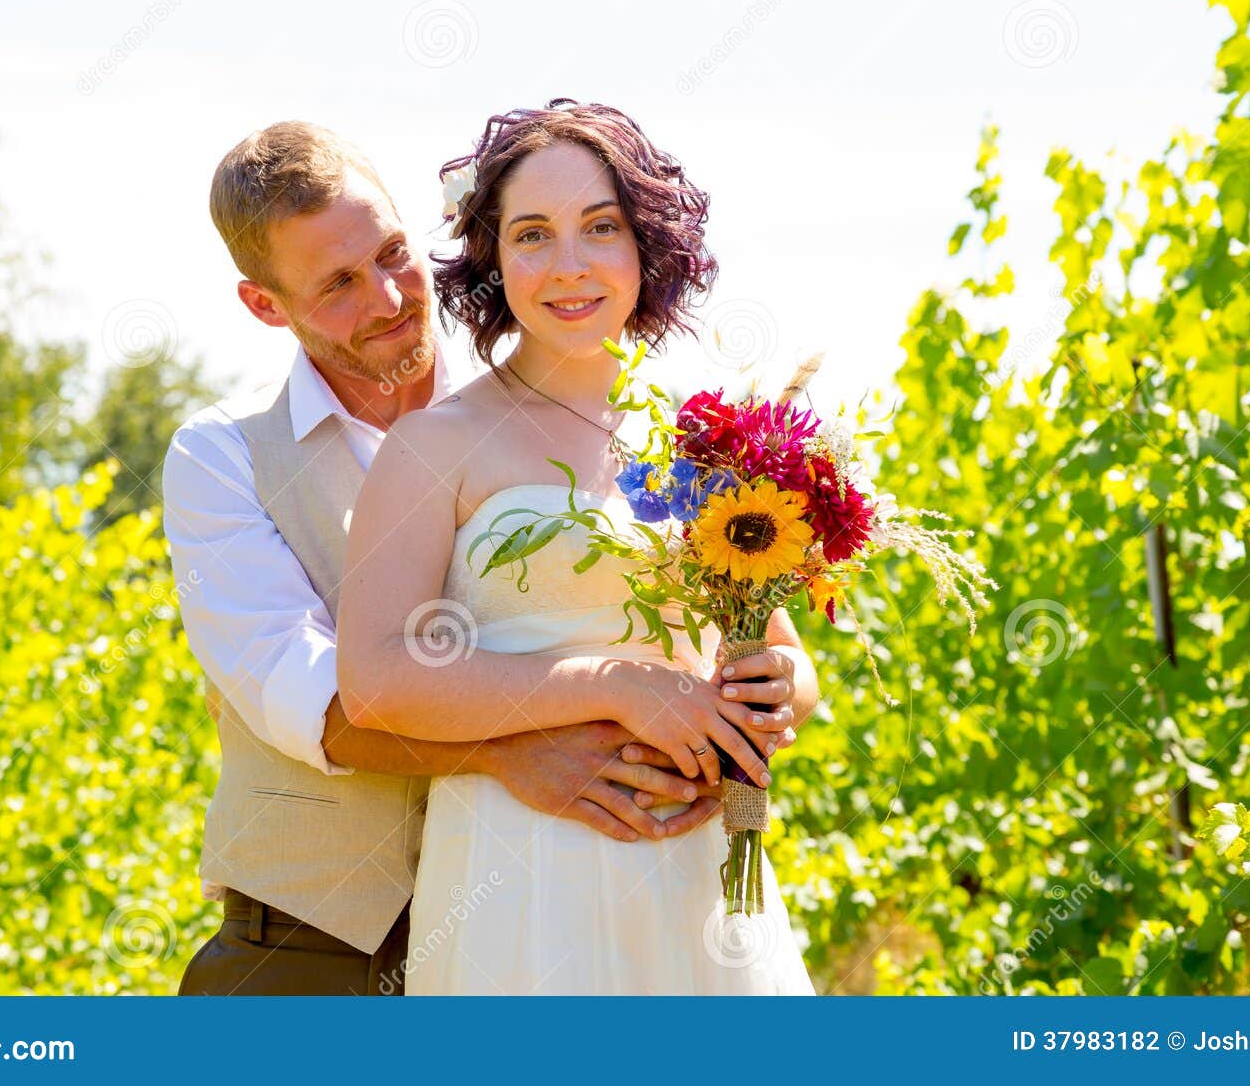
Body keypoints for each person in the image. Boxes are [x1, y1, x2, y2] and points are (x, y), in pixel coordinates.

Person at [164, 120, 815, 995]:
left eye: (394, 253)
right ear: (266, 305)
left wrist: (771, 690)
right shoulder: (225, 457)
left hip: (656, 870)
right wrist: (530, 740)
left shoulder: (587, 383)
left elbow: (761, 641)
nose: (390, 296)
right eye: (339, 285)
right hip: (325, 939)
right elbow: (318, 696)